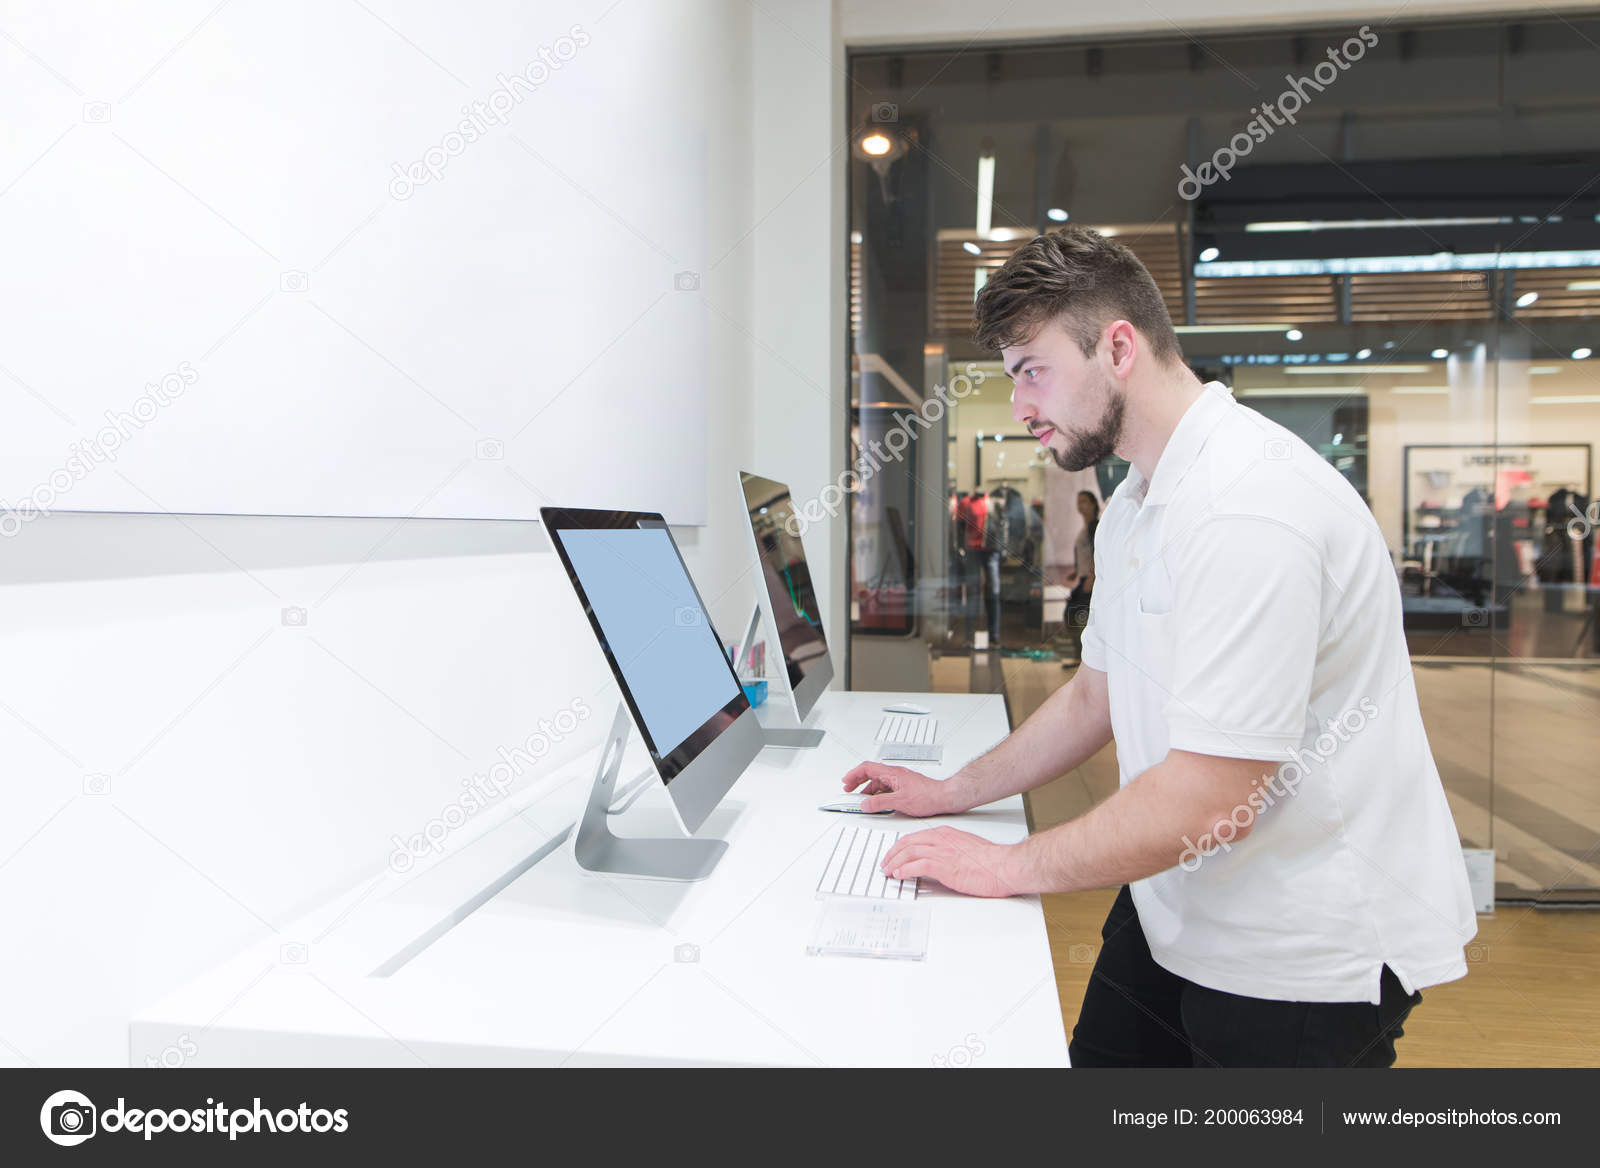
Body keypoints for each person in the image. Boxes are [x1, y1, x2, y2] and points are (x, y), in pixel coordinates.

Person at [840, 226, 1477, 1068]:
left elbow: (1210, 799)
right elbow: (1092, 697)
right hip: (1183, 894)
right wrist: (954, 790)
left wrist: (1005, 867)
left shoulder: (1250, 506)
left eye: (1034, 370)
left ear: (1117, 347)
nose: (1023, 404)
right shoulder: (1141, 500)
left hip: (1302, 945)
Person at [1060, 490, 1098, 667]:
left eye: (1084, 502)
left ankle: (1084, 658)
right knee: (1074, 615)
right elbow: (1084, 553)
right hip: (1084, 578)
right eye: (1079, 502)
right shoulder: (1086, 527)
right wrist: (1076, 571)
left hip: (1091, 581)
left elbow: (1098, 552)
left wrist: (1092, 575)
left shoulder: (1094, 527)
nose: (1080, 506)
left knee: (1075, 614)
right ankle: (1082, 657)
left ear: (1093, 505)